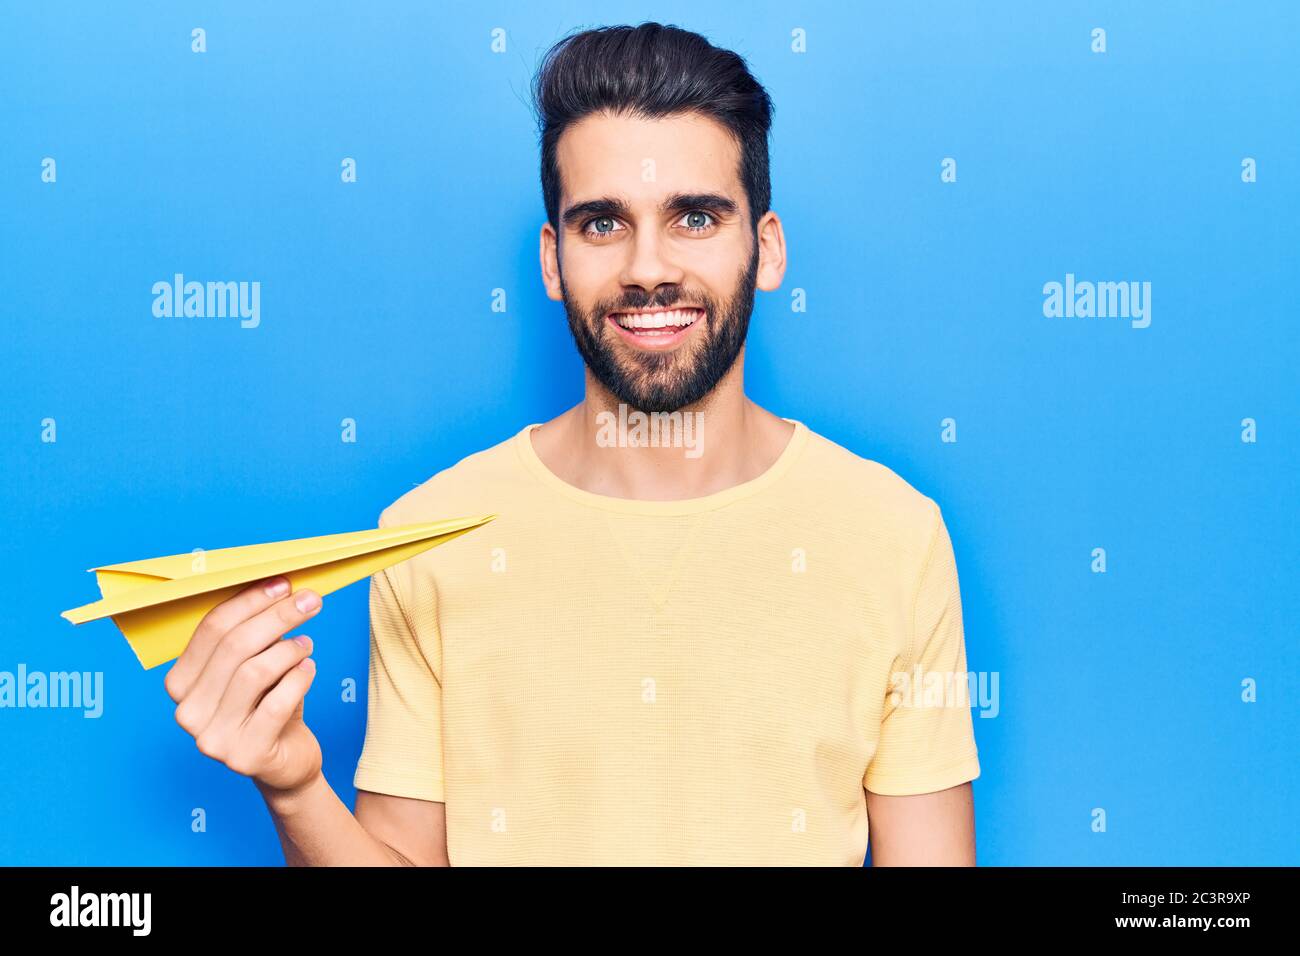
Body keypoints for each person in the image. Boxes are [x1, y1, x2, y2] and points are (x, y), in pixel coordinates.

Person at [164, 21, 981, 866]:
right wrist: (296, 789)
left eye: (695, 217)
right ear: (553, 262)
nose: (648, 267)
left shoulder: (893, 534)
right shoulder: (431, 539)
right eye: (602, 224)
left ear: (765, 248)